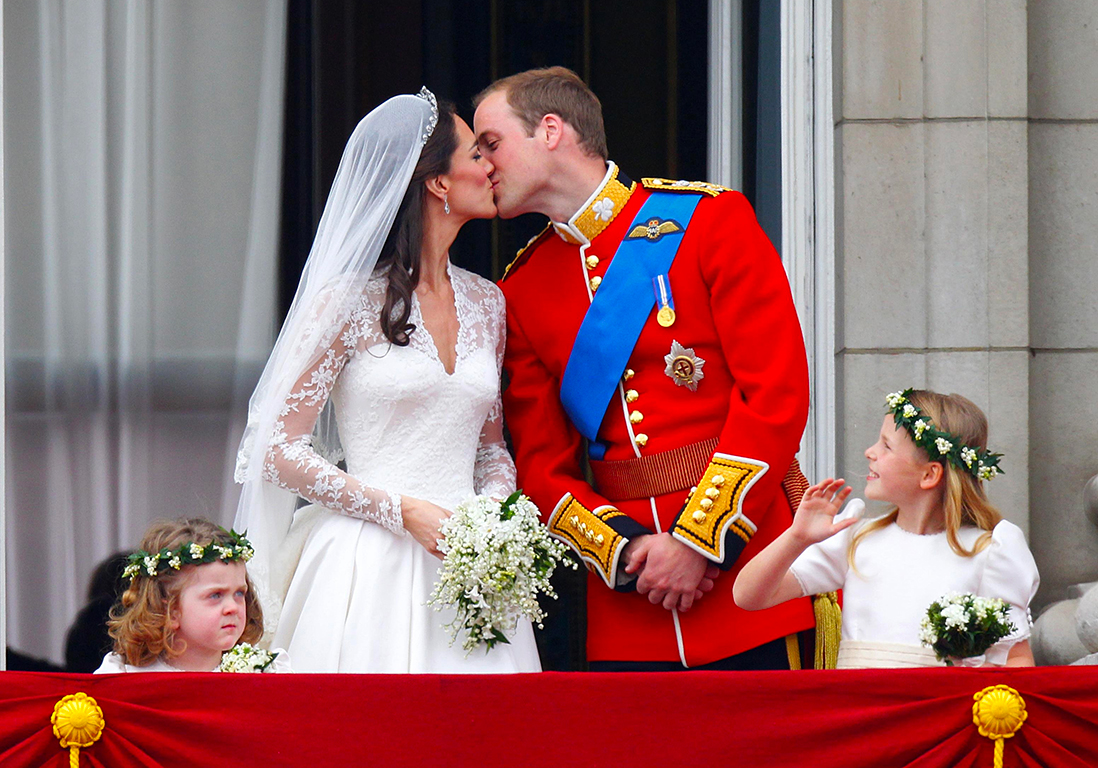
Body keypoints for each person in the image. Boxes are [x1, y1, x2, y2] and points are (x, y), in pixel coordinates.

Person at [473, 67, 816, 670]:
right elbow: (540, 465)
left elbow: (775, 395)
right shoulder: (522, 288)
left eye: (491, 143)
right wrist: (628, 552)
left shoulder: (709, 221)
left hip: (748, 572)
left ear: (550, 131)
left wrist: (697, 543)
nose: (482, 163)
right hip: (631, 602)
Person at [233, 89, 540, 673]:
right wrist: (400, 511)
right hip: (367, 563)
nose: (492, 167)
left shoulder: (488, 302)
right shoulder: (345, 302)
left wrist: (491, 520)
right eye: (477, 155)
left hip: (472, 568)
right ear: (438, 184)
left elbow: (490, 448)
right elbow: (275, 449)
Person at [733, 389, 1039, 668]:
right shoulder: (856, 539)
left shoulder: (988, 551)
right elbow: (748, 595)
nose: (870, 451)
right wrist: (796, 537)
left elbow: (1016, 658)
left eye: (886, 446)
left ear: (929, 475)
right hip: (859, 713)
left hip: (937, 717)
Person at [96, 518, 291, 673]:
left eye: (239, 593)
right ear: (169, 609)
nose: (233, 607)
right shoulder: (124, 675)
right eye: (216, 595)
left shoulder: (267, 673)